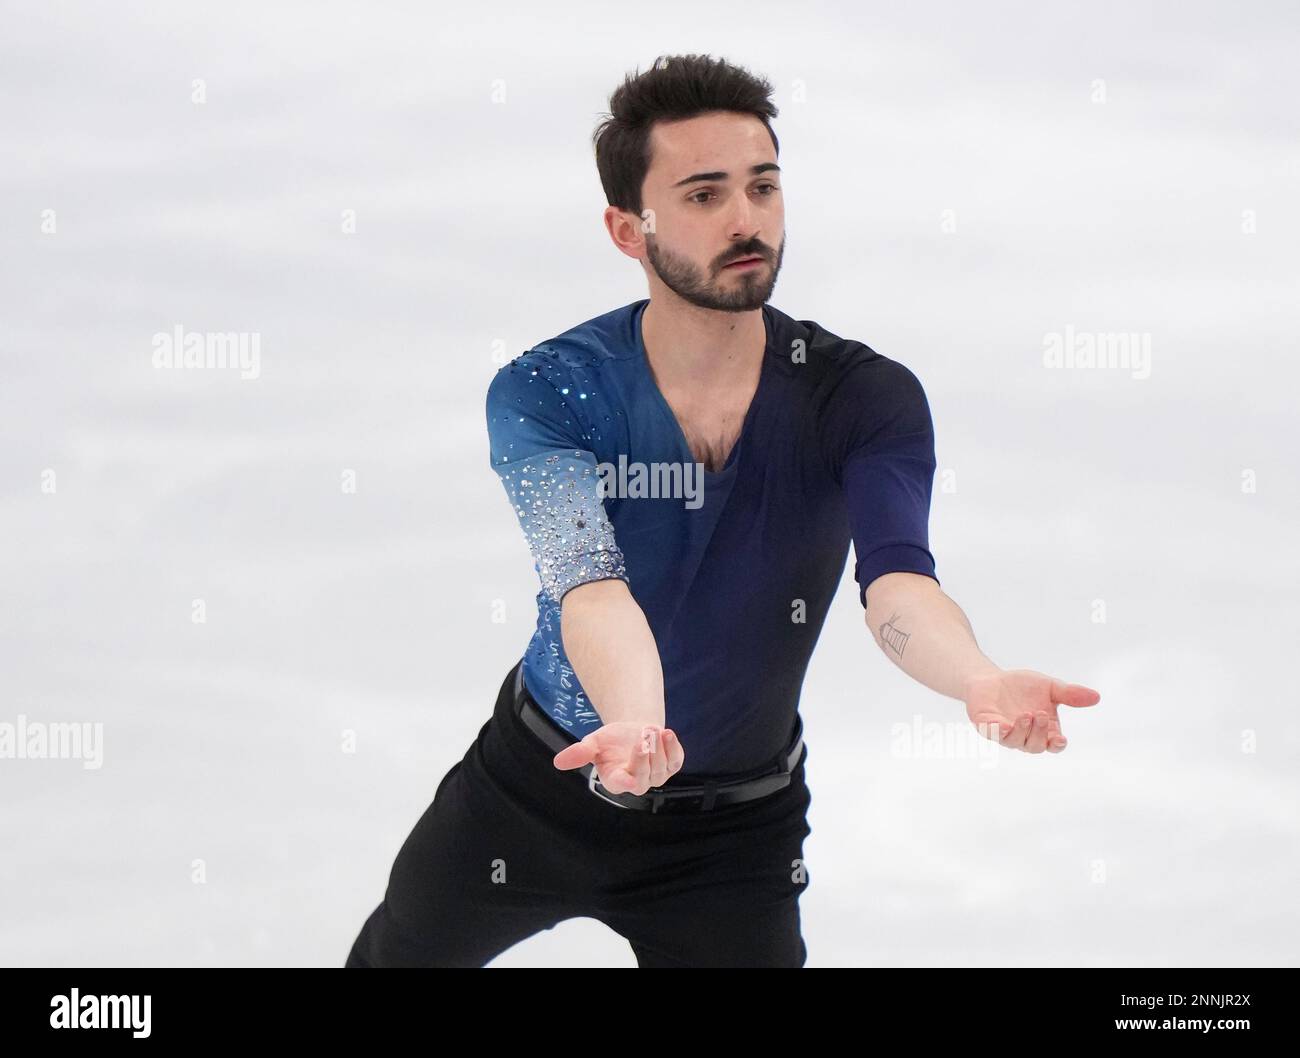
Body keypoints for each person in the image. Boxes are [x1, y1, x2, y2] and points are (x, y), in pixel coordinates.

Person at [345, 53, 1100, 969]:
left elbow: (898, 584)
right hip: (536, 790)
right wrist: (632, 725)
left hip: (732, 840)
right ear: (630, 229)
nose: (747, 221)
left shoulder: (859, 399)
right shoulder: (551, 391)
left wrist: (976, 678)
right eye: (704, 195)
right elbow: (589, 586)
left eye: (763, 187)